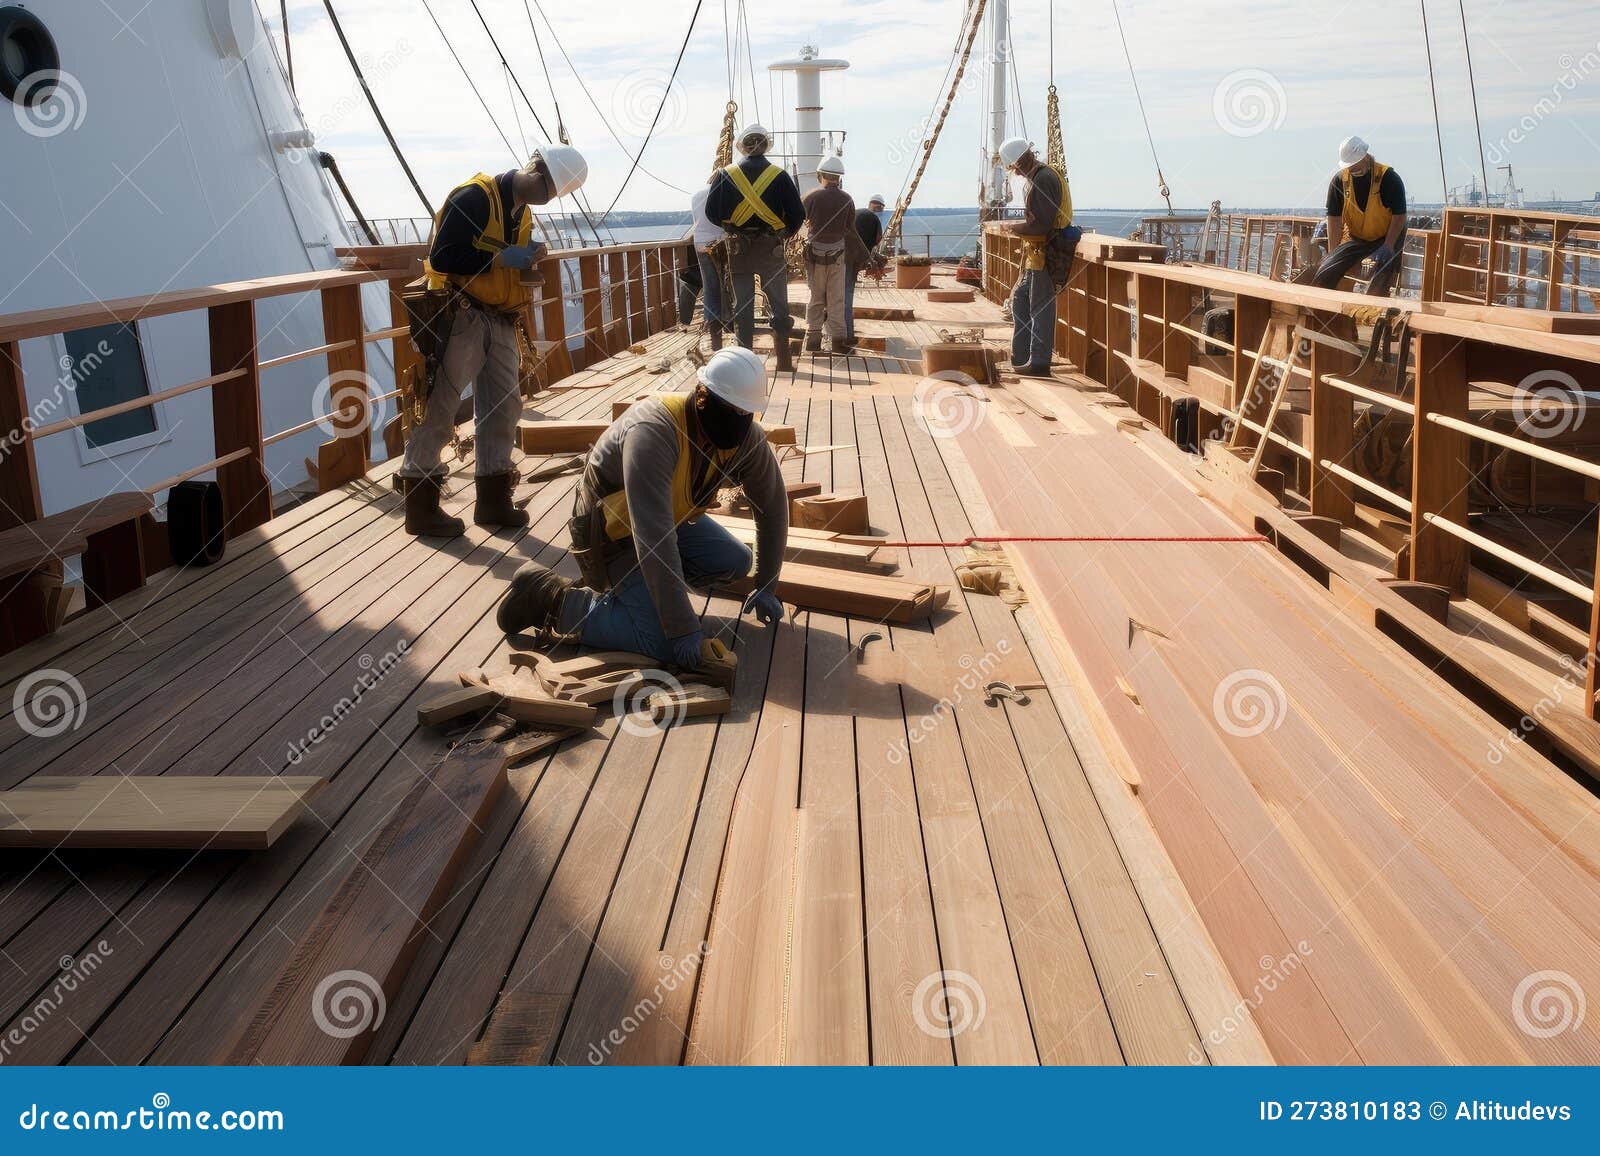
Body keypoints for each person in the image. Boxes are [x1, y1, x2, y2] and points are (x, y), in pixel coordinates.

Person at [496, 347, 788, 668]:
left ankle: (643, 597)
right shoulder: (655, 431)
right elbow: (654, 541)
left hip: (665, 524)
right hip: (608, 536)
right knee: (660, 644)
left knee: (736, 560)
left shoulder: (746, 439)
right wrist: (682, 631)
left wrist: (766, 584)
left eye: (744, 413)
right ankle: (552, 598)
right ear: (702, 395)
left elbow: (772, 508)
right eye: (727, 409)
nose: (736, 421)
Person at [399, 143, 588, 537]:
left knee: (504, 406)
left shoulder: (523, 210)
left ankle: (493, 498)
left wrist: (528, 256)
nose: (549, 200)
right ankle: (420, 504)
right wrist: (504, 259)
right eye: (549, 190)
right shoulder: (474, 197)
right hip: (462, 314)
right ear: (536, 173)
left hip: (501, 317)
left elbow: (499, 250)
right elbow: (444, 256)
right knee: (441, 404)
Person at [705, 123, 805, 371]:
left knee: (743, 305)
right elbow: (797, 213)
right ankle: (783, 361)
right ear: (765, 146)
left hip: (739, 248)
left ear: (743, 145)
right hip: (771, 247)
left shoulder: (725, 174)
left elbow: (711, 212)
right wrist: (784, 233)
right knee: (779, 302)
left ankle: (744, 365)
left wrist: (731, 227)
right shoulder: (779, 176)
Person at [991, 137, 1078, 377]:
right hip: (1036, 253)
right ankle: (1021, 356)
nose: (1015, 172)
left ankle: (1039, 362)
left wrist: (1012, 228)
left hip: (1048, 251)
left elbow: (1041, 225)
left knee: (1040, 307)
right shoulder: (1039, 177)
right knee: (1020, 300)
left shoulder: (1042, 180)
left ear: (1020, 161)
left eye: (1013, 167)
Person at [1312, 136, 1408, 296]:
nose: (1353, 168)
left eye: (1357, 164)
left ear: (1366, 157)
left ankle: (1376, 312)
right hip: (1356, 239)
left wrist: (1389, 245)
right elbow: (1334, 218)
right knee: (1326, 271)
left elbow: (1400, 215)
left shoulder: (1388, 178)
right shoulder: (1339, 181)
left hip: (1387, 238)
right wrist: (1333, 251)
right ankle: (1328, 312)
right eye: (1350, 166)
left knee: (1383, 275)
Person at [800, 155, 871, 354]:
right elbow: (851, 230)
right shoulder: (847, 199)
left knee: (816, 297)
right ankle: (839, 343)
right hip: (838, 254)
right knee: (836, 298)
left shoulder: (810, 197)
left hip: (814, 255)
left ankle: (813, 341)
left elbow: (796, 222)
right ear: (839, 178)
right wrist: (868, 255)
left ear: (819, 175)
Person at [687, 178, 726, 347]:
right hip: (721, 241)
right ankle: (734, 328)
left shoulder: (696, 194)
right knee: (730, 288)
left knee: (710, 289)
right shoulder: (725, 191)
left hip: (700, 242)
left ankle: (715, 339)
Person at [844, 193, 886, 343]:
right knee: (846, 298)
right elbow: (876, 240)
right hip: (851, 259)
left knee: (834, 296)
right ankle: (847, 336)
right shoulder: (875, 220)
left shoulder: (857, 213)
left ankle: (832, 331)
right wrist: (871, 263)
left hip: (836, 255)